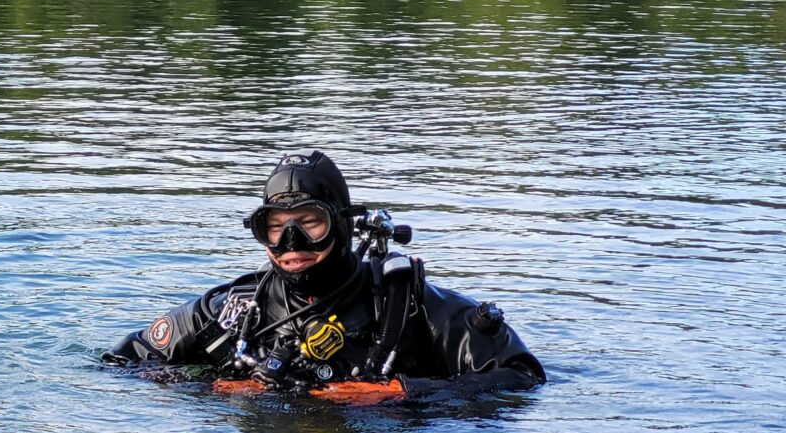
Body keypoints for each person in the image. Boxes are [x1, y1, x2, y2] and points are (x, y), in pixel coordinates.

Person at [105, 150, 544, 400]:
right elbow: (120, 363)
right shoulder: (234, 311)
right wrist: (213, 391)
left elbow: (522, 376)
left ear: (342, 224)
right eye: (276, 226)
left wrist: (398, 391)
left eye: (310, 222)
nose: (291, 242)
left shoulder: (402, 304)